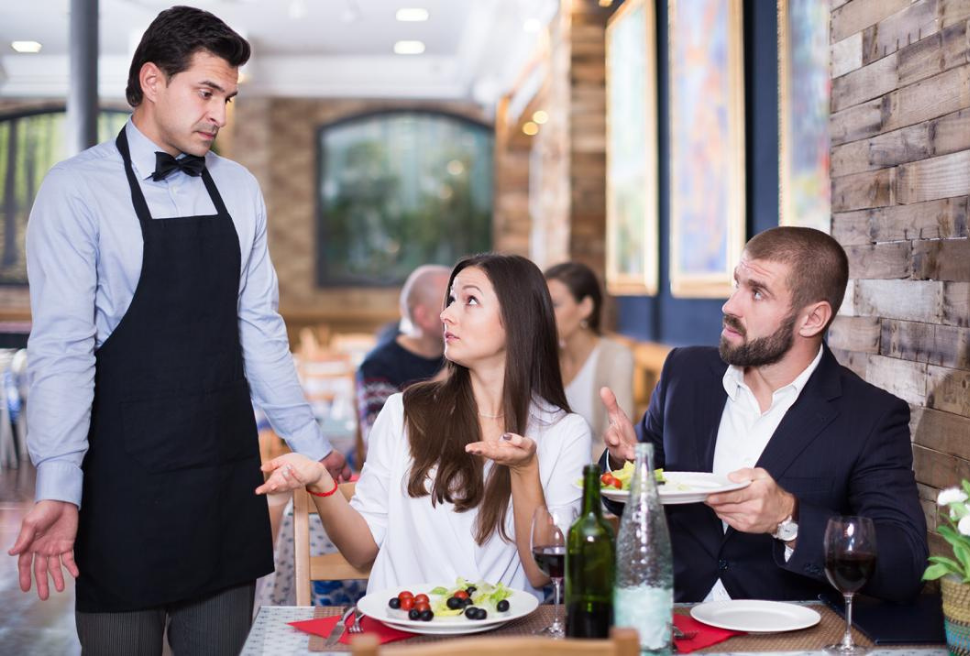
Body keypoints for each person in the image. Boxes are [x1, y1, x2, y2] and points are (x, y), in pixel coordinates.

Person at [8, 7, 347, 654]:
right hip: (121, 489)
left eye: (228, 97)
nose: (219, 114)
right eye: (206, 92)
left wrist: (310, 442)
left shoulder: (240, 188)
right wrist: (58, 485)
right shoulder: (76, 190)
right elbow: (62, 349)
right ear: (153, 80)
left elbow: (260, 328)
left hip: (224, 484)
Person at [600, 227, 928, 603]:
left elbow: (905, 563)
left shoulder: (870, 416)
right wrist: (621, 463)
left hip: (786, 638)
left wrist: (788, 518)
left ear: (812, 318)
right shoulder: (684, 375)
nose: (730, 306)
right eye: (736, 284)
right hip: (672, 623)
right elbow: (624, 497)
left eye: (757, 292)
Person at [258, 254, 591, 597]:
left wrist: (524, 471)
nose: (446, 314)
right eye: (450, 300)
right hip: (401, 631)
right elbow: (361, 549)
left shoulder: (564, 432)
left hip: (501, 637)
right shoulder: (404, 411)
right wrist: (320, 481)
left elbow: (540, 574)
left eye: (470, 300)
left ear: (519, 319)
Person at [545, 262, 634, 456]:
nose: (545, 314)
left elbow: (618, 443)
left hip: (593, 477)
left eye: (554, 304)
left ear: (585, 307)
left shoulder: (616, 358)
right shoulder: (545, 358)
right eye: (542, 305)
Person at [356, 265, 450, 445]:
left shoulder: (464, 355)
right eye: (450, 302)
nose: (458, 311)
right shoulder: (377, 365)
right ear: (423, 317)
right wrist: (446, 379)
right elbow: (379, 440)